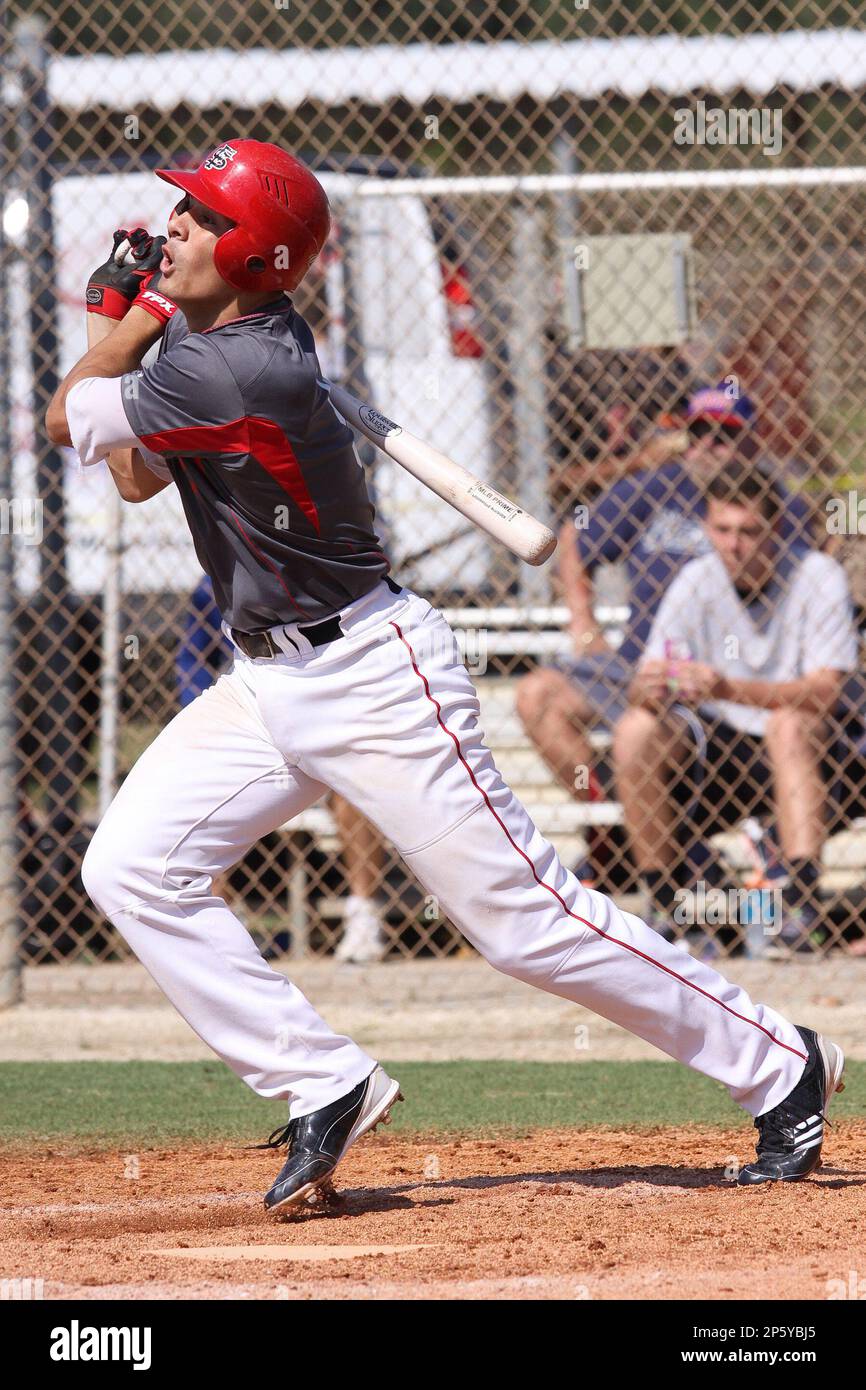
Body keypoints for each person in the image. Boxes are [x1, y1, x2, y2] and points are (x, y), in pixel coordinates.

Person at [46, 139, 843, 1209]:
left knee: (523, 922)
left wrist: (129, 315)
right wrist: (130, 316)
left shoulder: (227, 362)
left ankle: (780, 1062)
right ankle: (321, 1080)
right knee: (132, 865)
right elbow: (138, 475)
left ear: (252, 253)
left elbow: (69, 418)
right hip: (266, 682)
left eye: (196, 215)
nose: (172, 226)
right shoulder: (226, 352)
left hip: (372, 676)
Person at [516, 384, 811, 896]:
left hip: (735, 677)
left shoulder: (776, 503)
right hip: (639, 669)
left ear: (750, 444)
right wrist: (584, 626)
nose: (705, 447)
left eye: (723, 437)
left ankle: (648, 838)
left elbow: (808, 575)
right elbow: (574, 541)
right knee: (538, 695)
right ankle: (617, 830)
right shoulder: (653, 489)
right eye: (697, 434)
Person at [614, 460, 858, 956]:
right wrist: (652, 687)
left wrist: (728, 688)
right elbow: (642, 683)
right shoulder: (696, 579)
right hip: (716, 750)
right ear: (707, 528)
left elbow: (825, 692)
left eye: (750, 531)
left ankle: (800, 908)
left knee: (789, 724)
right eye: (722, 530)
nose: (735, 544)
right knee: (635, 731)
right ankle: (664, 907)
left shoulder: (816, 574)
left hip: (808, 753)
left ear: (776, 529)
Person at [178, 572, 391, 962]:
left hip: (323, 715)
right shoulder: (218, 586)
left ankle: (363, 915)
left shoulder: (332, 576)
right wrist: (201, 712)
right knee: (203, 786)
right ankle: (223, 931)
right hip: (250, 720)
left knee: (353, 780)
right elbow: (191, 661)